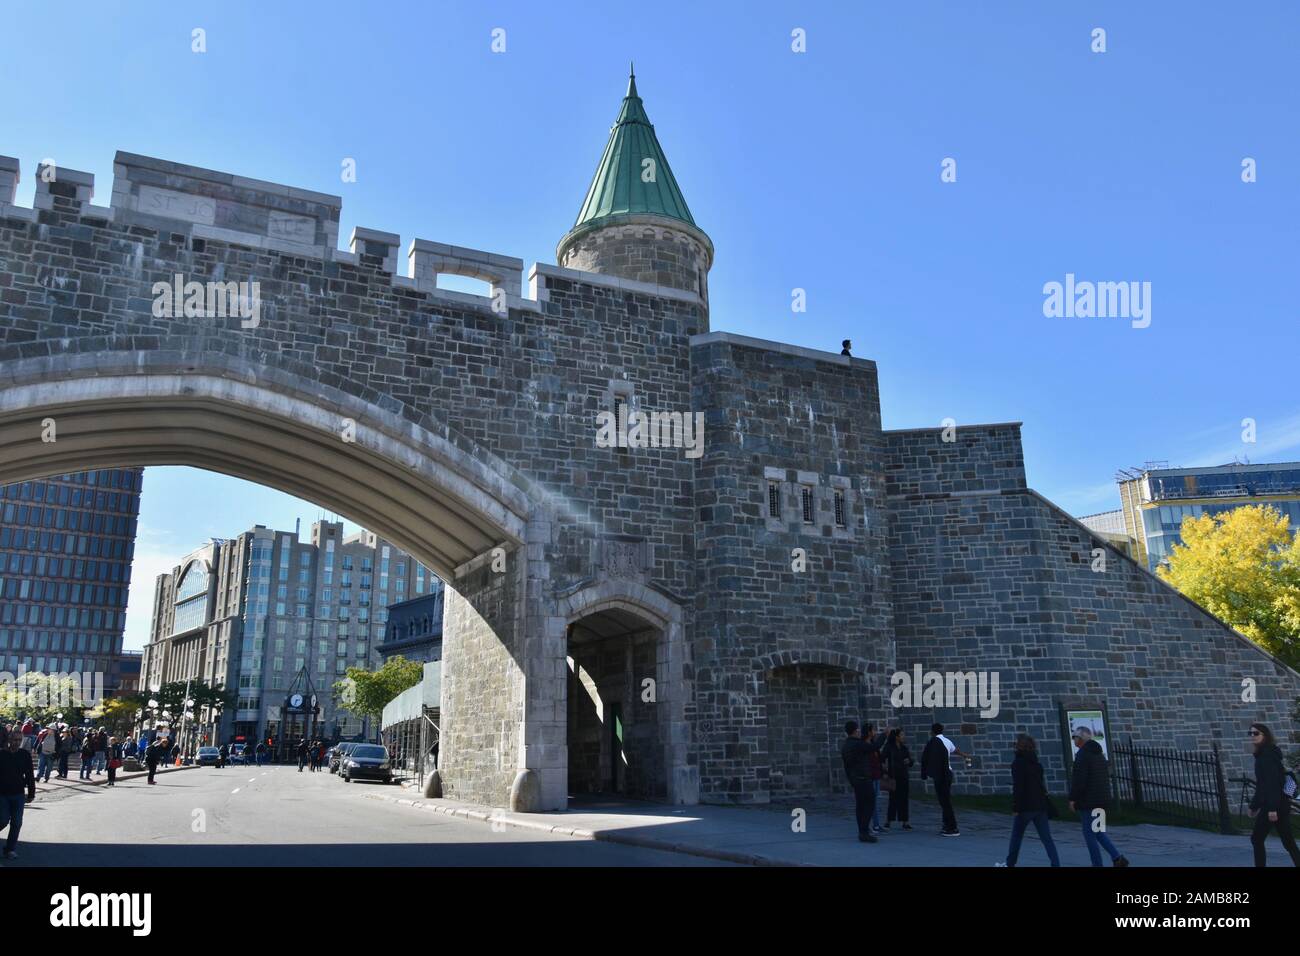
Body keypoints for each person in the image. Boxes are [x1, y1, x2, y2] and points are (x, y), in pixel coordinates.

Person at [1069, 726, 1129, 867]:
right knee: (1098, 832)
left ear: (1082, 739)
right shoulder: (1099, 754)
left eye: (1075, 737)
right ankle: (1118, 858)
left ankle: (1097, 864)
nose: (1074, 740)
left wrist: (1072, 799)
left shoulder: (1082, 755)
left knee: (1090, 835)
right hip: (1101, 800)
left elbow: (1079, 781)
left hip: (1089, 802)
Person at [998, 734, 1060, 867]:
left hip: (1026, 806)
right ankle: (1056, 864)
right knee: (1047, 838)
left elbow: (1019, 787)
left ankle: (1010, 863)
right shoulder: (1036, 763)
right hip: (1040, 805)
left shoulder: (1018, 763)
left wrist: (1016, 807)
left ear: (1019, 747)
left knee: (1016, 837)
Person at [1247, 722, 1300, 867]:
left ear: (1265, 736)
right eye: (1250, 733)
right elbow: (1263, 785)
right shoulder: (1268, 753)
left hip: (1273, 805)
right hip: (1281, 804)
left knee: (1257, 839)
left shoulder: (1266, 757)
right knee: (1288, 842)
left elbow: (1271, 785)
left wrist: (1271, 808)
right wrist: (1254, 806)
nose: (1252, 736)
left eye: (1256, 733)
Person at [920, 723, 968, 836]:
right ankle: (946, 824)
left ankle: (952, 827)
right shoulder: (946, 741)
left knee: (945, 802)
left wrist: (925, 772)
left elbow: (925, 757)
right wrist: (964, 755)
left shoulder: (933, 743)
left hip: (940, 774)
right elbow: (955, 750)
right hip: (948, 773)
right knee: (945, 800)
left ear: (932, 731)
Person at [840, 720, 880, 843]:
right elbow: (874, 747)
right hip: (863, 778)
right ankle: (864, 832)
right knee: (869, 803)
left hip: (856, 779)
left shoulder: (846, 745)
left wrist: (851, 780)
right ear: (854, 731)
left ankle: (862, 831)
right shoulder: (856, 744)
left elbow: (847, 766)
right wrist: (885, 735)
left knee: (861, 806)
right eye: (857, 730)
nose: (859, 732)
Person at [0, 728, 36, 859]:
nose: (17, 742)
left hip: (18, 794)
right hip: (2, 794)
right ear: (9, 740)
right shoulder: (2, 754)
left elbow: (30, 775)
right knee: (3, 820)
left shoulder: (24, 755)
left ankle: (9, 849)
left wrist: (31, 792)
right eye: (15, 740)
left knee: (17, 822)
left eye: (19, 740)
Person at [881, 728, 913, 831]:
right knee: (893, 799)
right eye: (902, 735)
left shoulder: (904, 748)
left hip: (903, 776)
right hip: (893, 776)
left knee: (904, 799)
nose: (904, 737)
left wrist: (909, 761)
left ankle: (905, 821)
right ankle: (889, 821)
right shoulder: (889, 747)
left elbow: (910, 761)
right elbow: (881, 759)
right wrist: (885, 772)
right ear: (897, 737)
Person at [865, 725, 885, 834]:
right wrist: (884, 735)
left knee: (874, 802)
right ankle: (874, 825)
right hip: (871, 777)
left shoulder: (873, 745)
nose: (874, 732)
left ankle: (875, 824)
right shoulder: (866, 746)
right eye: (873, 730)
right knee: (871, 802)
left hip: (876, 776)